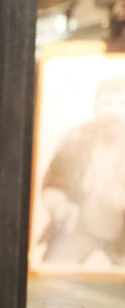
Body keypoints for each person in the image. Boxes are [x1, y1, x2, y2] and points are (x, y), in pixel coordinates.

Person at [38, 75, 125, 266]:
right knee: (51, 275)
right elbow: (53, 185)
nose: (114, 111)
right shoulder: (74, 140)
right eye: (107, 103)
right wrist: (60, 205)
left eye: (121, 103)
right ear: (96, 106)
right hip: (79, 228)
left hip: (122, 235)